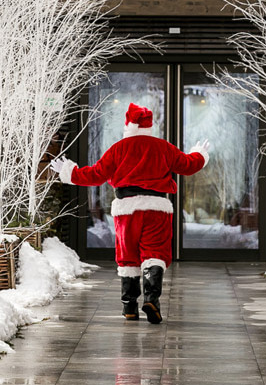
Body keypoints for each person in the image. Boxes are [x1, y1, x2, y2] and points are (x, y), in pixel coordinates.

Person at [50, 103, 209, 323]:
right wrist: (200, 154)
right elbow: (188, 165)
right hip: (157, 209)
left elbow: (96, 174)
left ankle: (129, 306)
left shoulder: (118, 148)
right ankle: (151, 299)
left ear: (128, 125)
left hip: (126, 211)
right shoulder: (163, 147)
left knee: (128, 256)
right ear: (149, 126)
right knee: (155, 253)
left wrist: (70, 172)